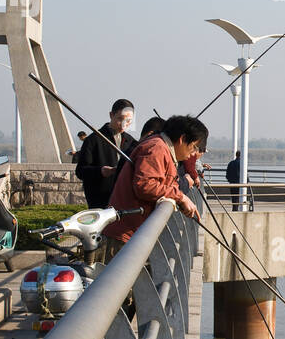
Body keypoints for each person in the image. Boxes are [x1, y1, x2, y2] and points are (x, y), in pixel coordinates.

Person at [102, 114, 207, 249]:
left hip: (133, 233)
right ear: (182, 139)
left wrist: (181, 201)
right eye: (193, 147)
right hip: (124, 235)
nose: (193, 154)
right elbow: (145, 185)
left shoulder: (164, 150)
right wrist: (181, 198)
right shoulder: (156, 148)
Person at [75, 99, 137, 208]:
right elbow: (80, 171)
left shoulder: (131, 142)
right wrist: (100, 171)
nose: (123, 125)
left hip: (125, 202)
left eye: (128, 121)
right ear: (111, 115)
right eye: (120, 119)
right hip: (101, 202)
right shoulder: (93, 140)